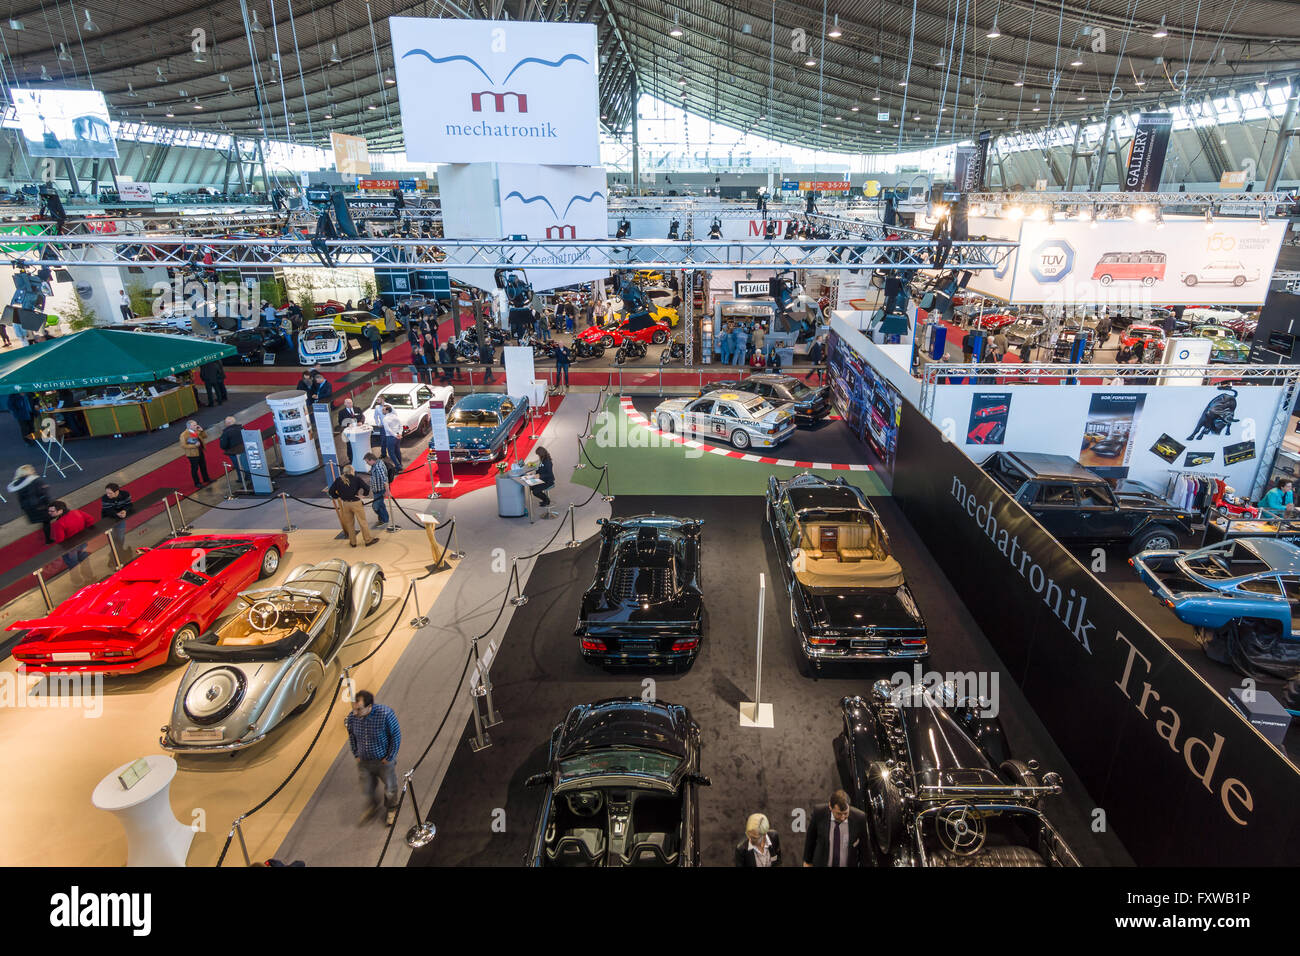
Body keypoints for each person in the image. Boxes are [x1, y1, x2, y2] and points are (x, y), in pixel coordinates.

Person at [344, 689, 402, 826]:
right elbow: (352, 736)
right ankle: (372, 806)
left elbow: (396, 736)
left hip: (383, 761)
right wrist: (356, 754)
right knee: (367, 788)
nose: (355, 713)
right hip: (364, 762)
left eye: (359, 709)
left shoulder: (385, 714)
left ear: (369, 707)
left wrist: (389, 757)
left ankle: (391, 809)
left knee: (390, 788)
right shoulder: (353, 717)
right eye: (354, 709)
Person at [803, 790, 868, 867]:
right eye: (839, 814)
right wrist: (807, 861)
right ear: (830, 806)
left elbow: (865, 849)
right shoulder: (819, 813)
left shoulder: (859, 818)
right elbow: (811, 839)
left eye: (845, 813)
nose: (843, 818)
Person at [329, 464, 378, 547]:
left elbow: (331, 492)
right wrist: (364, 495)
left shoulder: (338, 480)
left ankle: (353, 542)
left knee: (349, 524)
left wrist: (338, 496)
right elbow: (367, 488)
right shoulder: (356, 479)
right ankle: (367, 540)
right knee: (363, 522)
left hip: (346, 504)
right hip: (356, 503)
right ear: (352, 471)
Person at [49, 499, 95, 583]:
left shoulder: (58, 523)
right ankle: (89, 578)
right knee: (85, 561)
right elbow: (90, 520)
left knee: (73, 566)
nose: (50, 513)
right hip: (82, 543)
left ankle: (78, 583)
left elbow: (60, 540)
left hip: (70, 549)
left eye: (52, 511)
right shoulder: (76, 512)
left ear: (60, 511)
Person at [8, 465, 53, 543]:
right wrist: (50, 504)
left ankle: (45, 535)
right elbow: (43, 494)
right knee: (46, 522)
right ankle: (48, 540)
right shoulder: (36, 480)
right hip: (40, 506)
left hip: (29, 508)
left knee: (42, 521)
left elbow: (20, 498)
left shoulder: (17, 484)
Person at [100, 482, 134, 562]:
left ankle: (118, 552)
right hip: (108, 519)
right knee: (112, 538)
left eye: (110, 493)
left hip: (120, 518)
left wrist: (125, 511)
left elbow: (129, 504)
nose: (108, 495)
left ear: (117, 492)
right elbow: (107, 510)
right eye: (107, 493)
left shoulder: (125, 494)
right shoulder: (105, 498)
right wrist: (117, 514)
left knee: (120, 536)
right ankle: (116, 553)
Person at [179, 420, 211, 487]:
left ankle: (206, 479)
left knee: (203, 466)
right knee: (195, 468)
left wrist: (202, 430)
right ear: (189, 426)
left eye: (196, 424)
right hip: (192, 454)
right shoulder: (184, 435)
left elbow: (205, 436)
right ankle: (197, 483)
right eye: (194, 425)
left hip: (200, 451)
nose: (196, 426)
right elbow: (183, 445)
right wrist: (194, 446)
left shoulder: (197, 431)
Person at [363, 452, 391, 528]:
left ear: (371, 460)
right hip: (377, 489)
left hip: (380, 490)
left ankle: (384, 519)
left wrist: (387, 491)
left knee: (375, 506)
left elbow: (385, 479)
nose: (367, 463)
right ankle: (383, 518)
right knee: (381, 505)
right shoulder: (376, 463)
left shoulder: (378, 466)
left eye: (367, 461)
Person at [530, 446, 556, 518]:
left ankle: (546, 500)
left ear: (541, 454)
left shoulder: (547, 462)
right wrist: (535, 473)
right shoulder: (542, 459)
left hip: (548, 481)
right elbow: (540, 469)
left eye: (538, 455)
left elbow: (549, 474)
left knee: (535, 491)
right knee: (531, 487)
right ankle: (545, 500)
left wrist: (540, 476)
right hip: (542, 479)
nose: (538, 456)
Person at [218, 416, 245, 485]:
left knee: (237, 465)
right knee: (244, 463)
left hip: (233, 452)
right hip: (243, 449)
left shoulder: (226, 432)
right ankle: (248, 476)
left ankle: (241, 478)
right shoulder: (241, 428)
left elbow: (223, 444)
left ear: (227, 423)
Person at [380, 403, 404, 468]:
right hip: (398, 436)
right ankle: (400, 464)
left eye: (383, 410)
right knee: (397, 451)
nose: (382, 411)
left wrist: (395, 435)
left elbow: (388, 430)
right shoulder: (395, 416)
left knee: (391, 453)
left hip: (391, 437)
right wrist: (399, 434)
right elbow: (401, 426)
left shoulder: (385, 419)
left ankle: (398, 466)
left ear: (387, 411)